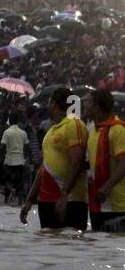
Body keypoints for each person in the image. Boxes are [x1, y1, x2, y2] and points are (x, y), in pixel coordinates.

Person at [20, 87, 88, 231]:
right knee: (48, 247)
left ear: (56, 104)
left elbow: (76, 162)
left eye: (49, 101)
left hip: (69, 200)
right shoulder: (51, 131)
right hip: (46, 201)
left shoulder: (74, 124)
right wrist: (29, 199)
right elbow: (43, 168)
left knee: (70, 244)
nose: (47, 105)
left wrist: (63, 196)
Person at [83, 89, 125, 232]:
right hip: (97, 204)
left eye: (88, 102)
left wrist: (107, 187)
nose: (84, 105)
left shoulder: (118, 130)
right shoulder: (92, 130)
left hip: (118, 206)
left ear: (97, 107)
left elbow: (123, 164)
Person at [0, 112, 30, 204]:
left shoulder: (7, 132)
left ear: (10, 120)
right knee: (19, 180)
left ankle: (7, 197)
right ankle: (20, 200)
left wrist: (3, 155)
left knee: (7, 179)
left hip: (9, 159)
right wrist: (25, 157)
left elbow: (3, 146)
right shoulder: (23, 133)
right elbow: (27, 146)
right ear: (18, 121)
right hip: (20, 160)